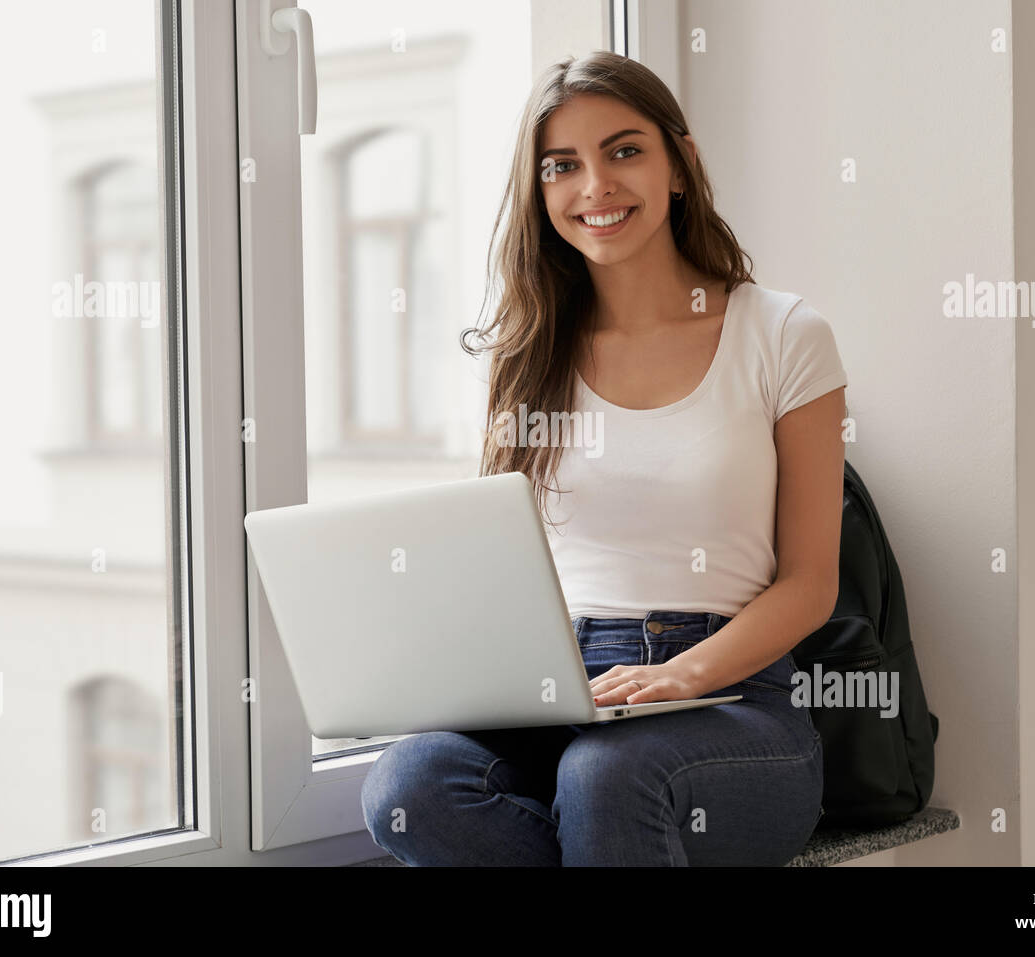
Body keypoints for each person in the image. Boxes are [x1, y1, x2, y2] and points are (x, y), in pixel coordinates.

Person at [361, 49, 848, 866]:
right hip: (562, 682)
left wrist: (683, 674)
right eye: (563, 166)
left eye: (624, 150)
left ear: (681, 166)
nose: (595, 187)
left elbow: (810, 584)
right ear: (540, 190)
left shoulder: (784, 334)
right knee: (411, 785)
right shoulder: (523, 353)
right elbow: (503, 561)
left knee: (604, 777)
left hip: (734, 692)